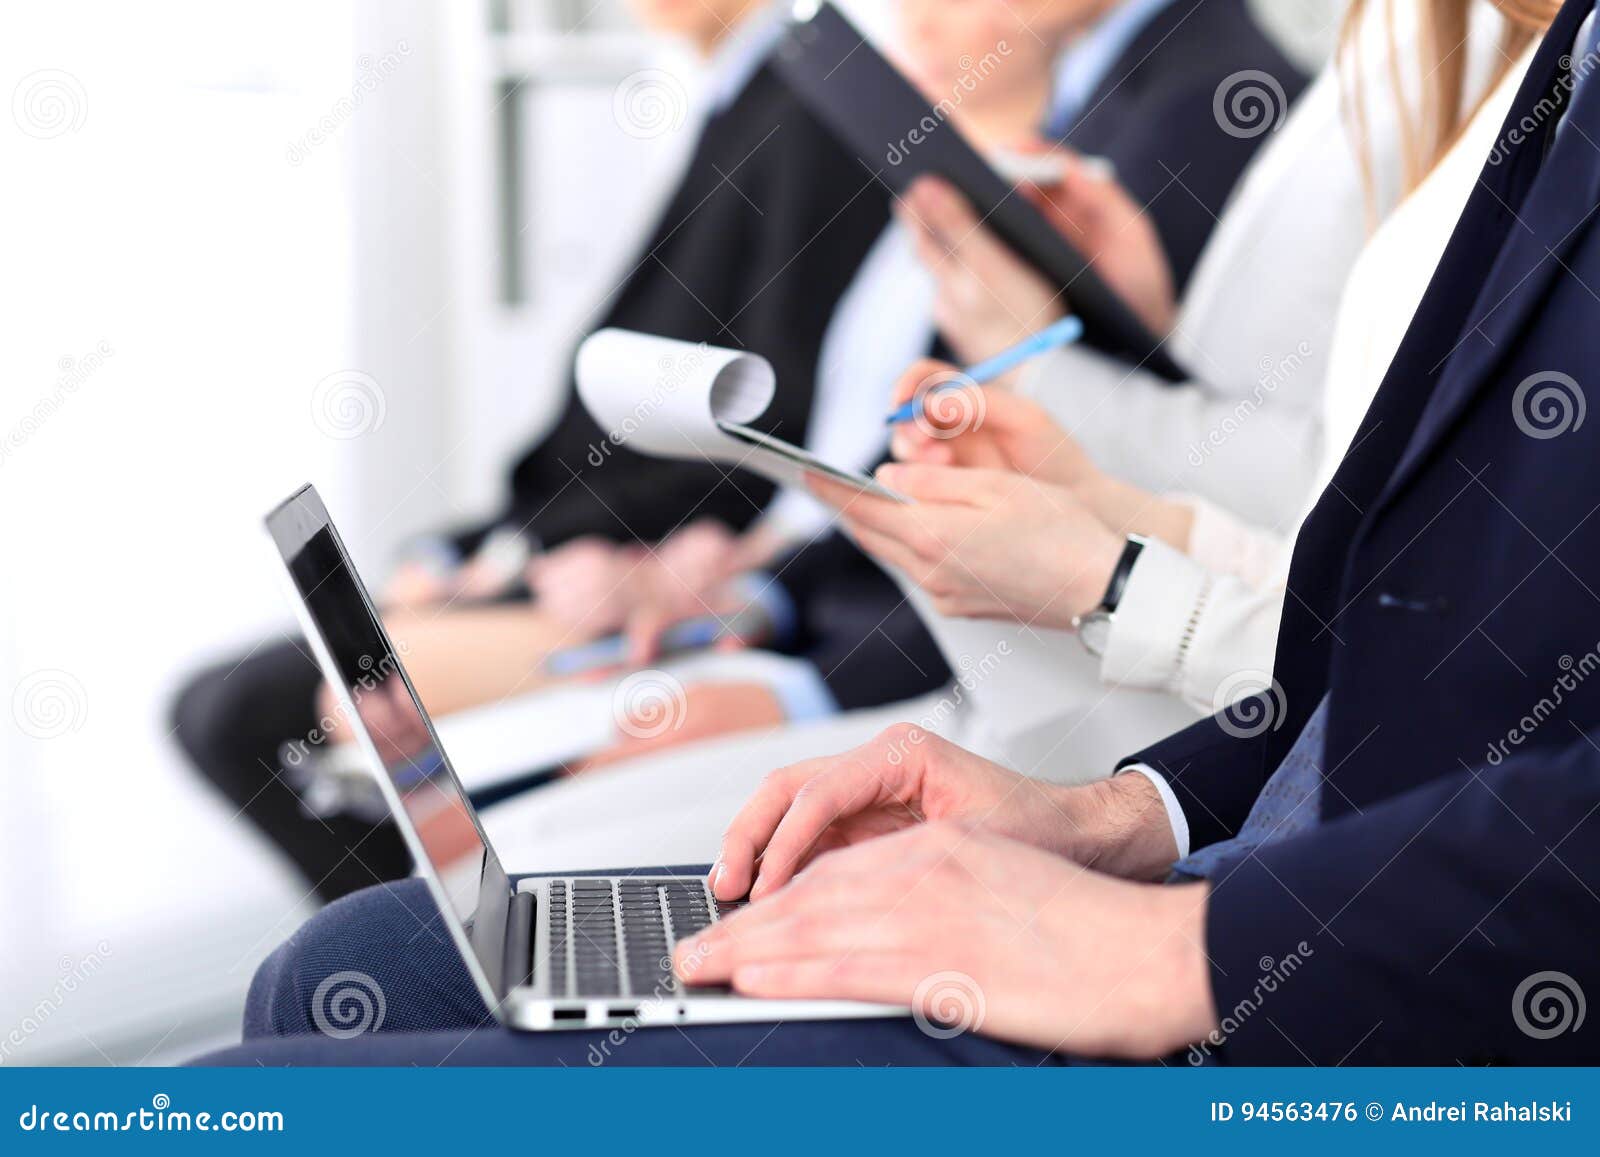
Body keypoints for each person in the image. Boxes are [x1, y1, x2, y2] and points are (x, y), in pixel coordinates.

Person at [199, 0, 1600, 1067]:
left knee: (280, 1071)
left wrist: (1183, 938)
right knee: (344, 968)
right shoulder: (1515, 72)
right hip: (1237, 822)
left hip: (1352, 961)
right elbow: (1394, 605)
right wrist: (1120, 816)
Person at [170, 0, 895, 899]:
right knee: (240, 703)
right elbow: (602, 428)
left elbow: (753, 418)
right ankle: (418, 951)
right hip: (582, 549)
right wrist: (467, 553)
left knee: (259, 711)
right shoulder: (739, 102)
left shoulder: (812, 113)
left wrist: (533, 558)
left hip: (630, 569)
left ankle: (416, 957)